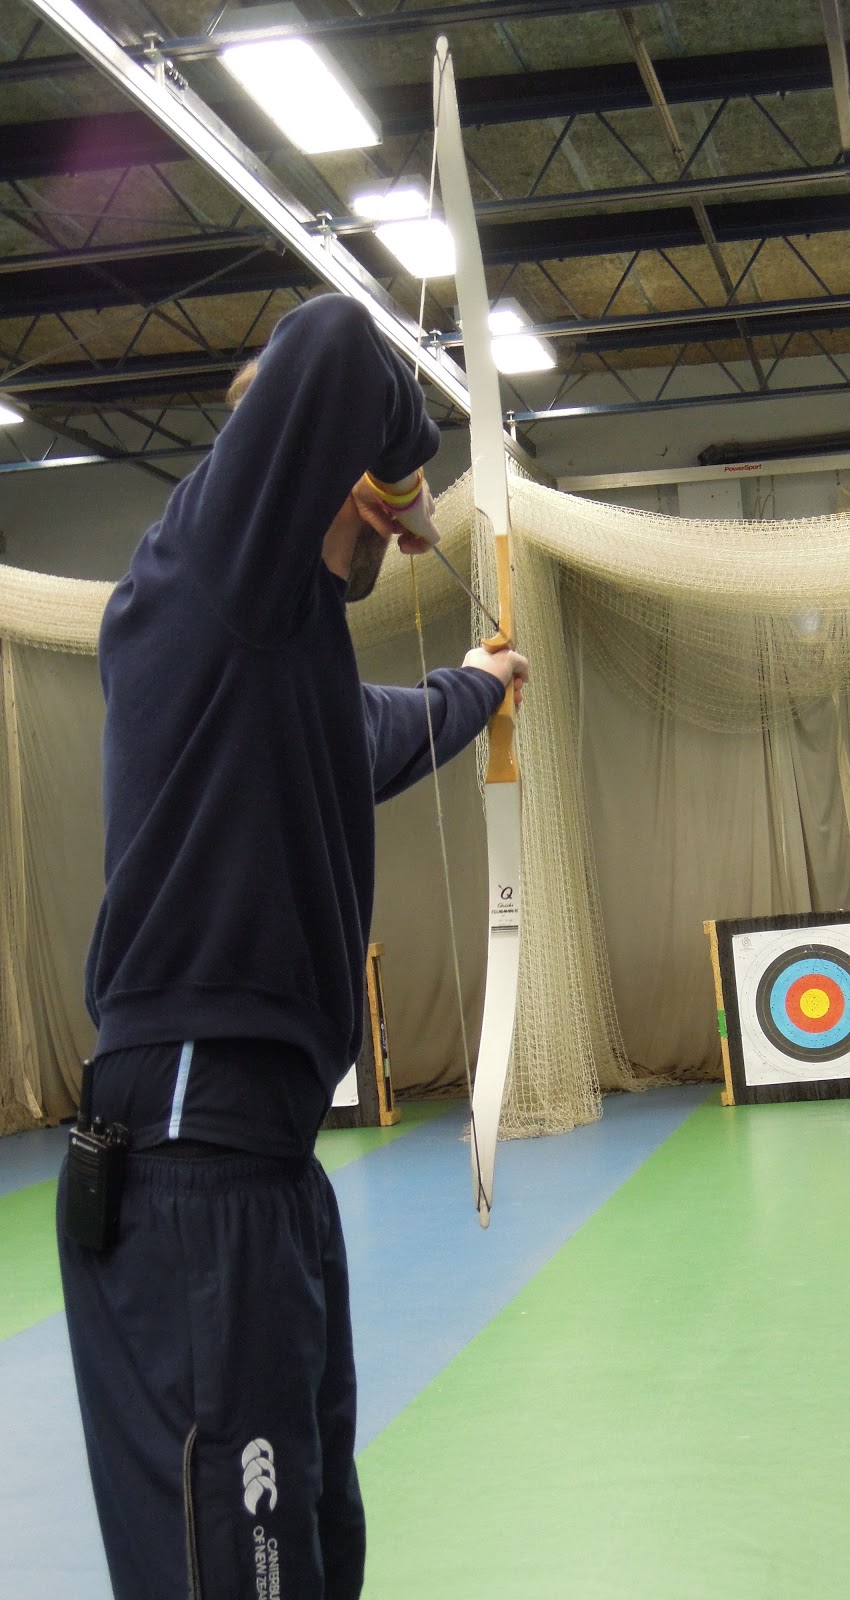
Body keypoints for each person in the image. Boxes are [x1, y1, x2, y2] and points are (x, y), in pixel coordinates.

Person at [56, 291, 529, 1600]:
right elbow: (327, 340)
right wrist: (405, 474)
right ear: (328, 464)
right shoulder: (204, 571)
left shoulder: (276, 653)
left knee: (311, 1550)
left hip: (260, 1167)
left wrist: (480, 685)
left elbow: (367, 738)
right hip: (192, 1158)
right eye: (377, 485)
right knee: (241, 1571)